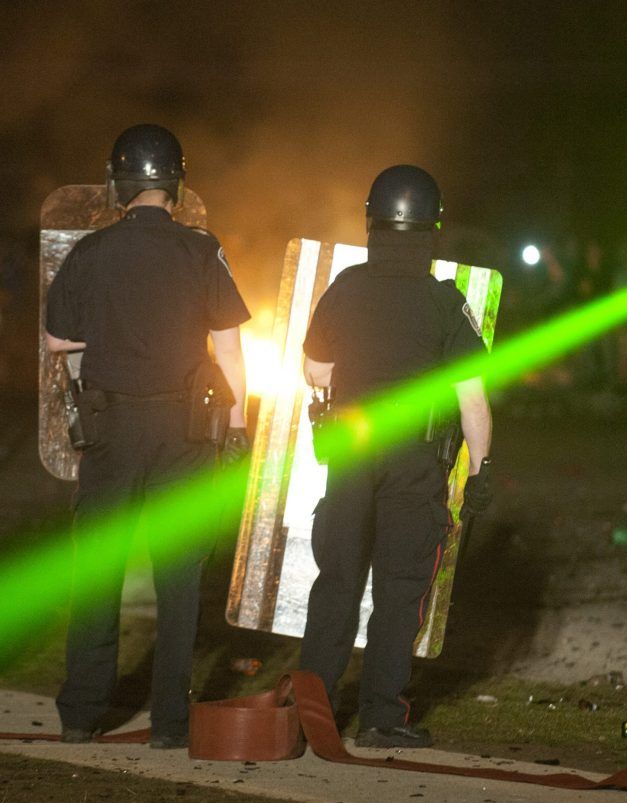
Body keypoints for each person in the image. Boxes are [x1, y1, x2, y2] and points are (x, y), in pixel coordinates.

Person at [44, 124, 251, 749]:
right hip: (182, 435)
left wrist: (105, 336)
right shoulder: (201, 249)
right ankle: (169, 725)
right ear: (175, 186)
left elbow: (56, 342)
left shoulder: (89, 252)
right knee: (180, 582)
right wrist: (238, 426)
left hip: (111, 432)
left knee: (98, 576)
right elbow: (230, 346)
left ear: (118, 184)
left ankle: (82, 716)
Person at [299, 164, 492, 749]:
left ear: (371, 222)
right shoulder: (444, 303)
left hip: (353, 454)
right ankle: (383, 718)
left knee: (336, 584)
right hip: (415, 464)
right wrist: (480, 473)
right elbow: (472, 401)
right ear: (433, 226)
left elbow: (316, 371)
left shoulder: (346, 288)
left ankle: (311, 715)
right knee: (399, 591)